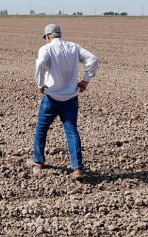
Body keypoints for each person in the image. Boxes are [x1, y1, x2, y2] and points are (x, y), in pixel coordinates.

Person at [31, 23, 98, 179]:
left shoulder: (46, 49)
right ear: (59, 34)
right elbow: (93, 59)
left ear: (48, 36)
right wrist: (86, 80)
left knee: (41, 129)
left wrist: (40, 84)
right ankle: (77, 167)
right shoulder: (73, 47)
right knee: (71, 131)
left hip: (51, 97)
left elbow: (40, 63)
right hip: (71, 97)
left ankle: (38, 162)